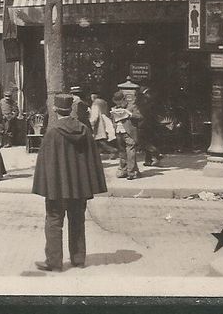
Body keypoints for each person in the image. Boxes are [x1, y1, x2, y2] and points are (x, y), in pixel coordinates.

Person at [32, 94, 108, 272]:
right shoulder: (84, 129)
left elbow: (46, 164)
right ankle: (78, 259)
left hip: (57, 188)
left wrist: (45, 187)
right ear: (71, 109)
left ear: (56, 110)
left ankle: (54, 262)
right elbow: (92, 160)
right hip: (79, 188)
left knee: (53, 221)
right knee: (78, 221)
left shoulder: (53, 132)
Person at [110, 89, 141, 180]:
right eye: (116, 102)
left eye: (120, 102)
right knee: (122, 152)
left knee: (130, 151)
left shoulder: (132, 106)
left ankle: (131, 172)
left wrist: (129, 114)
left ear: (124, 99)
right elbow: (113, 119)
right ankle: (125, 170)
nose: (118, 104)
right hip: (119, 132)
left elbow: (139, 116)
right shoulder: (115, 108)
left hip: (129, 132)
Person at [89, 90, 118, 158]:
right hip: (106, 119)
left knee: (99, 140)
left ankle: (113, 150)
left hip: (99, 122)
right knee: (101, 139)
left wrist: (91, 123)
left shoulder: (95, 103)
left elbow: (95, 115)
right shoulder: (104, 102)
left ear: (93, 96)